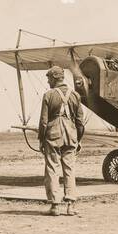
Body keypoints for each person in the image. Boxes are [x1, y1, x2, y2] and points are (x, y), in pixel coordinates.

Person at [36, 65, 84, 216]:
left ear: (54, 78)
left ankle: (55, 206)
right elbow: (80, 122)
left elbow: (44, 122)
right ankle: (70, 206)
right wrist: (78, 139)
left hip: (53, 136)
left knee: (52, 169)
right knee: (69, 170)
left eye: (49, 78)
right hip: (71, 136)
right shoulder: (75, 96)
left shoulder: (48, 95)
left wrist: (42, 139)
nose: (48, 81)